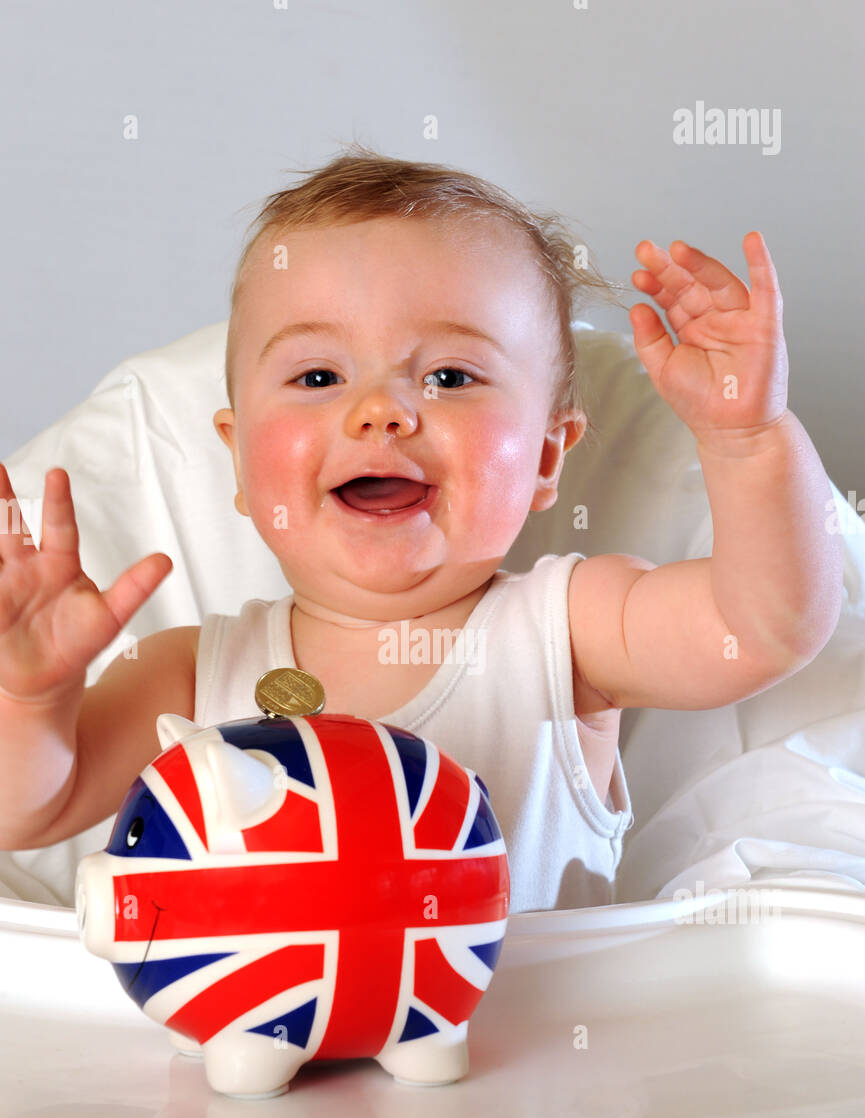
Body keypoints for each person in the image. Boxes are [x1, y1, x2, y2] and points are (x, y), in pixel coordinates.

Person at [0, 148, 843, 914]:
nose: (380, 412)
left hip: (534, 1076)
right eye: (318, 375)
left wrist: (746, 439)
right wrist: (31, 696)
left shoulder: (570, 630)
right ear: (239, 468)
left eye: (448, 375)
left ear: (547, 458)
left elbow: (764, 627)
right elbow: (29, 809)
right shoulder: (190, 672)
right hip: (250, 1066)